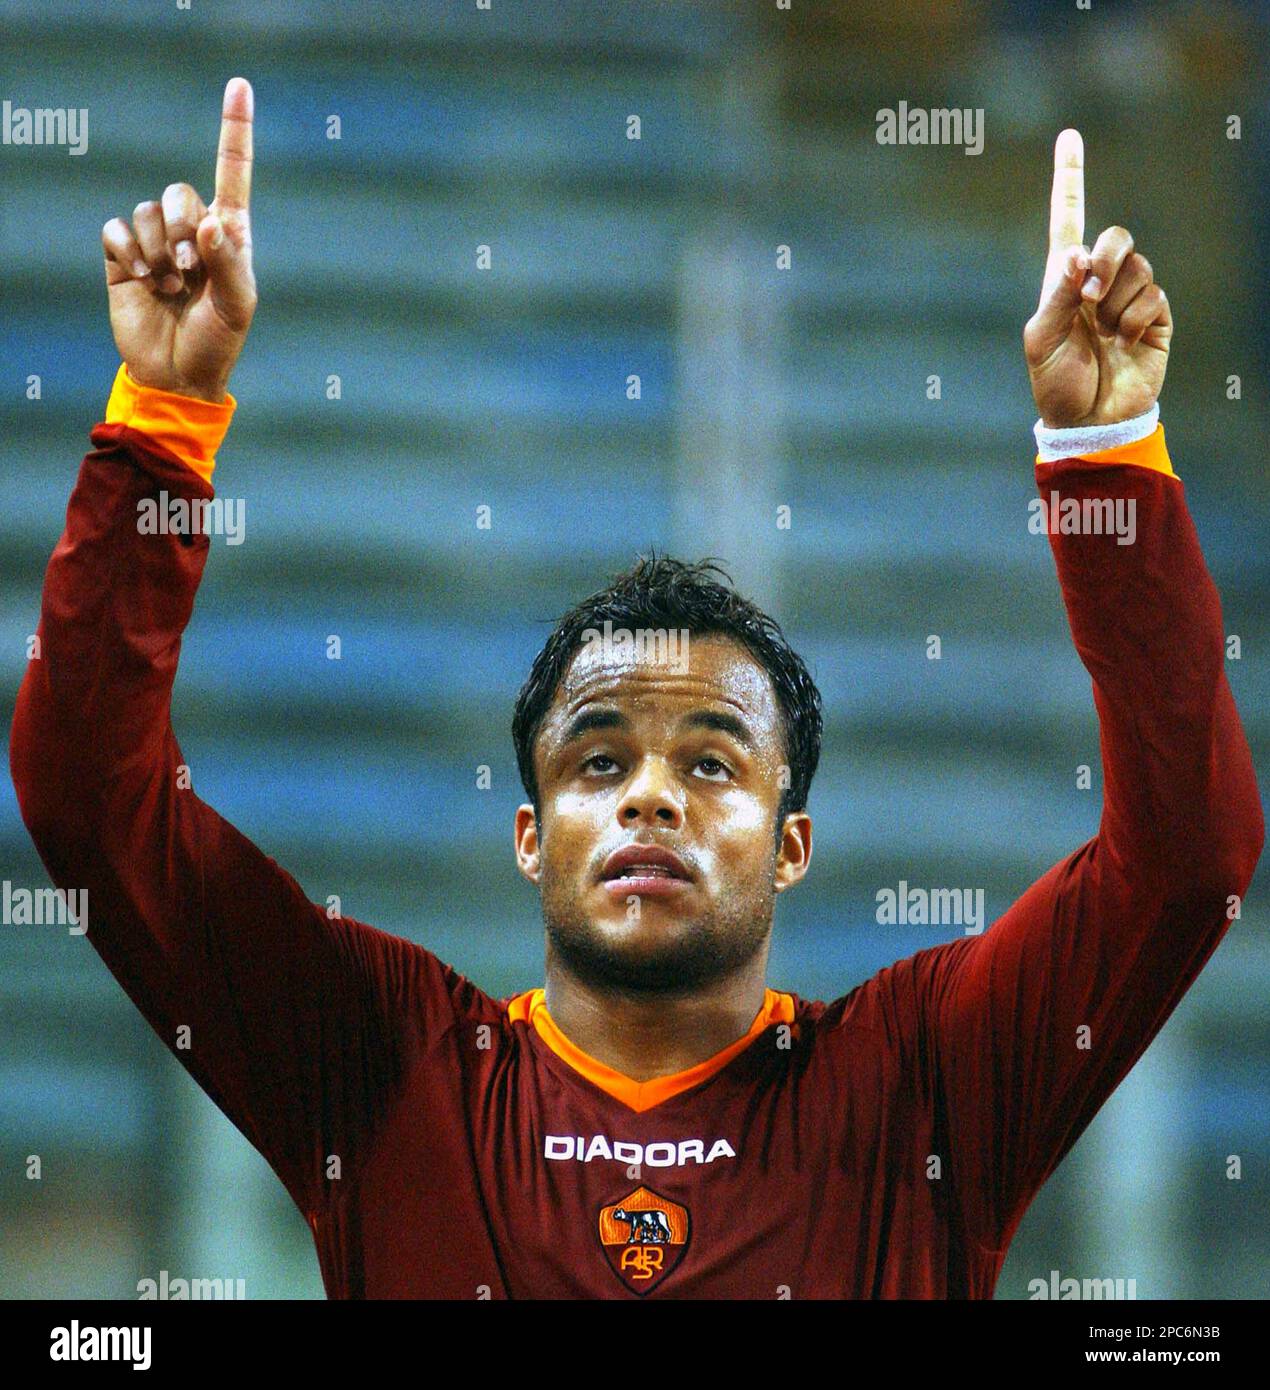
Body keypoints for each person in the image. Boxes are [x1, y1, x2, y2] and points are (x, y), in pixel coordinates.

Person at [11, 78, 1261, 1298]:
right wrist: (164, 417)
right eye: (598, 761)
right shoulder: (384, 1069)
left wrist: (1101, 457)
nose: (649, 798)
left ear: (792, 844)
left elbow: (1185, 858)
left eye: (711, 761)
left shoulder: (927, 1083)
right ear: (527, 837)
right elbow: (88, 800)